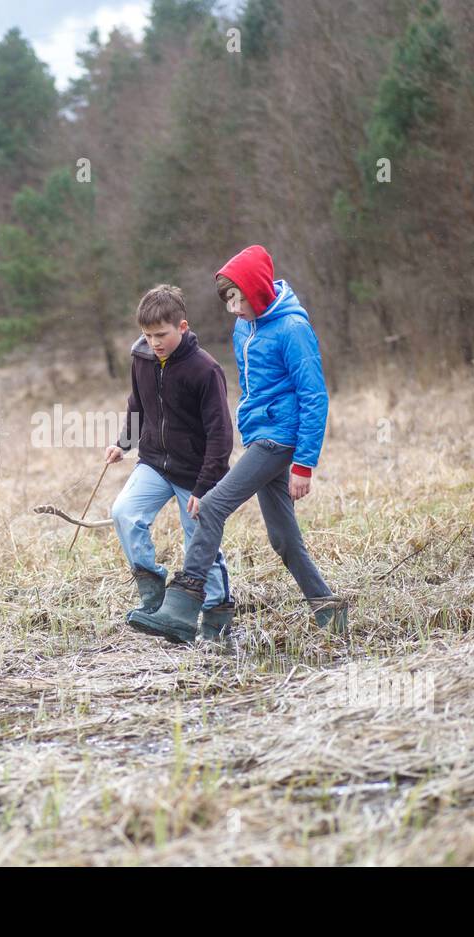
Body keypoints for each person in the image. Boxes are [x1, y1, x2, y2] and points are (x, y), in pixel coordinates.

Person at [127, 246, 346, 646]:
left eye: (237, 298)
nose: (232, 308)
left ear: (258, 291)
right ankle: (328, 608)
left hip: (280, 440)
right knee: (283, 538)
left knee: (209, 508)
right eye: (227, 299)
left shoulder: (292, 329)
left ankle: (183, 603)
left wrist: (303, 464)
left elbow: (314, 395)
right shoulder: (245, 327)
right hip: (260, 436)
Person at [105, 284, 236, 643]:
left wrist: (205, 486)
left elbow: (221, 435)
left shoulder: (205, 370)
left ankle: (217, 615)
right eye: (147, 335)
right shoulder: (142, 357)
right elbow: (137, 404)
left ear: (182, 326)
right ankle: (156, 597)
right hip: (153, 463)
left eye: (161, 334)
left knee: (199, 544)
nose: (154, 343)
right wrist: (123, 443)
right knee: (124, 512)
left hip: (195, 473)